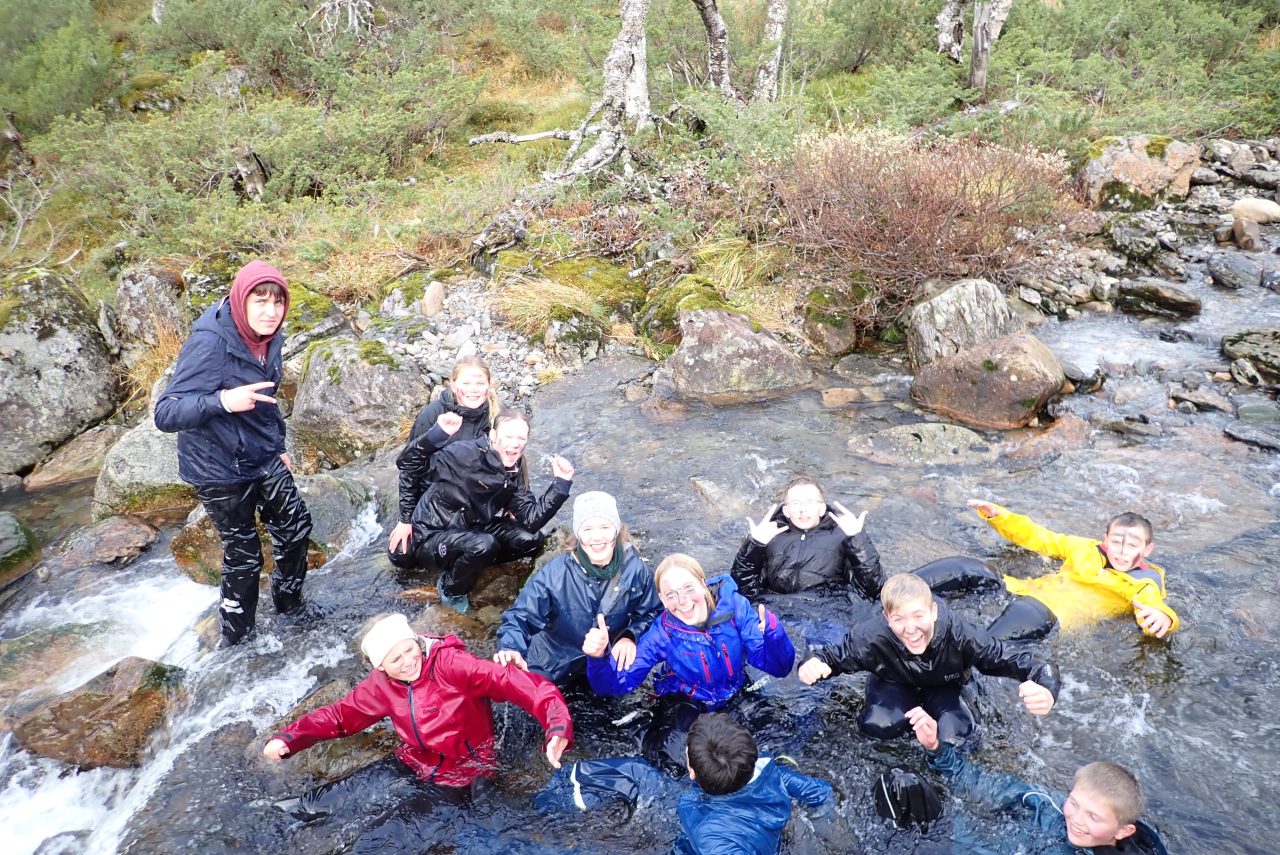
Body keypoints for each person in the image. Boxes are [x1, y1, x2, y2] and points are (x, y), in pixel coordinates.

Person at [262, 613, 573, 852]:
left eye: (411, 649)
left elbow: (518, 684)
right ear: (380, 666)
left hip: (462, 773)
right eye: (395, 659)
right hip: (413, 759)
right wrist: (289, 737)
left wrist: (556, 724)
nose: (409, 661)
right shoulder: (381, 684)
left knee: (377, 843)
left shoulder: (452, 665)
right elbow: (341, 716)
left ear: (417, 641)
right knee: (315, 803)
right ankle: (268, 823)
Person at [154, 260, 312, 648]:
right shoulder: (210, 342)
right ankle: (238, 640)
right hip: (218, 467)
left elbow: (265, 397)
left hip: (261, 455)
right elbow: (166, 412)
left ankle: (290, 608)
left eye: (277, 302)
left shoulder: (272, 335)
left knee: (296, 530)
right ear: (242, 300)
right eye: (260, 301)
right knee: (244, 557)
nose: (270, 311)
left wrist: (277, 447)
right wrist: (223, 400)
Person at [584, 553, 795, 770]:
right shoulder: (663, 632)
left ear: (703, 585)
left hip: (735, 691)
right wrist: (599, 658)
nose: (682, 602)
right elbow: (616, 684)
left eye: (688, 588)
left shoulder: (734, 608)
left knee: (779, 733)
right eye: (671, 595)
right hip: (686, 699)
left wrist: (773, 634)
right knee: (674, 757)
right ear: (662, 599)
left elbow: (779, 668)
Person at [798, 573, 1060, 744]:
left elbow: (1021, 661)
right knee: (877, 726)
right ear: (888, 620)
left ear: (933, 611)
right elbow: (828, 657)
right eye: (899, 620)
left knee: (957, 736)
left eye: (918, 616)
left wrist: (1047, 687)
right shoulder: (870, 637)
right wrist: (810, 664)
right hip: (893, 682)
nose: (911, 629)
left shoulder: (961, 635)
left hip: (946, 685)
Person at [534, 713, 832, 855]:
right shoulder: (770, 772)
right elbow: (822, 794)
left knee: (635, 774)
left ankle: (538, 809)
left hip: (686, 838)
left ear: (692, 774)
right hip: (740, 826)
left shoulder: (714, 838)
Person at [907, 707, 1168, 854]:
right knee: (904, 785)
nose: (1077, 819)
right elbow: (982, 784)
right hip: (964, 841)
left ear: (1123, 830)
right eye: (1074, 803)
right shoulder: (1047, 807)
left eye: (1094, 817)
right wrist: (936, 748)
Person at [386, 409, 573, 613]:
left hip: (473, 529)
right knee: (483, 544)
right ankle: (451, 590)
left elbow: (531, 519)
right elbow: (407, 463)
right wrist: (437, 434)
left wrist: (560, 485)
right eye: (509, 436)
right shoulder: (465, 454)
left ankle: (470, 563)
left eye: (521, 437)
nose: (516, 443)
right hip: (431, 536)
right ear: (493, 436)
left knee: (531, 538)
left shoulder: (514, 471)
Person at [495, 491, 662, 683]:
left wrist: (630, 636)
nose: (597, 537)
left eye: (605, 527)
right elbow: (520, 616)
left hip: (607, 657)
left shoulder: (636, 569)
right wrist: (510, 647)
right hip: (555, 659)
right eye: (588, 529)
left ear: (616, 530)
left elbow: (653, 613)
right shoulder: (554, 575)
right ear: (578, 533)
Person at [968, 500, 1179, 641]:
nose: (1122, 552)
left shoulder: (1144, 584)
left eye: (1132, 546)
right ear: (1106, 540)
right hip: (1023, 590)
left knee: (1004, 627)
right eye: (1116, 542)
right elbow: (1041, 538)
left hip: (1048, 615)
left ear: (1147, 549)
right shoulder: (1085, 548)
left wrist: (1166, 619)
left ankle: (965, 659)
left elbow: (1156, 608)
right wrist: (1000, 516)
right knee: (969, 569)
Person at [389, 356, 499, 558]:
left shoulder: (496, 417)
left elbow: (514, 460)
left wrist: (511, 504)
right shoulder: (432, 415)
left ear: (489, 386)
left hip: (473, 503)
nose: (473, 389)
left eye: (480, 383)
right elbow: (409, 467)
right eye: (466, 383)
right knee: (401, 556)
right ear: (454, 384)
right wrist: (405, 520)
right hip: (431, 502)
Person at [730, 475, 884, 603]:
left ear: (822, 508)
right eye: (795, 503)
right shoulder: (769, 536)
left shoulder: (843, 536)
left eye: (810, 502)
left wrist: (858, 538)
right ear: (786, 510)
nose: (802, 509)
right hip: (776, 607)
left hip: (826, 611)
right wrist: (754, 545)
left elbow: (873, 590)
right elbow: (741, 591)